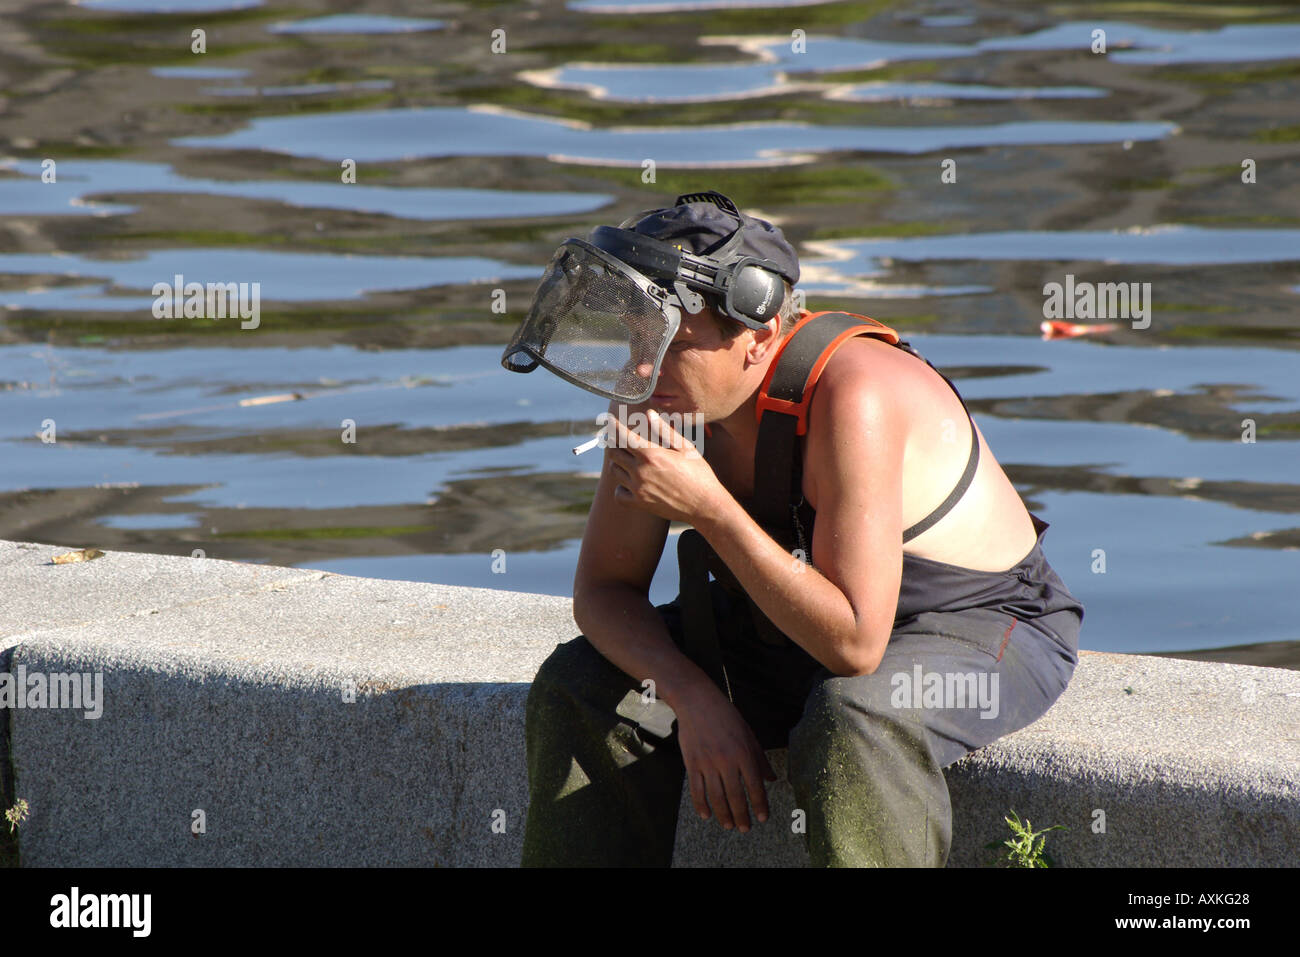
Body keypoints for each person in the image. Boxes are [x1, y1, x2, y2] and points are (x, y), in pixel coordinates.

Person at [501, 190, 1084, 867]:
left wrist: (709, 507)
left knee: (857, 717)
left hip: (977, 627)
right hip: (788, 629)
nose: (642, 368)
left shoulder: (853, 395)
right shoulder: (656, 396)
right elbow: (604, 592)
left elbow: (855, 646)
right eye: (636, 338)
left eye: (673, 346)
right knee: (587, 687)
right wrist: (689, 697)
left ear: (760, 336)